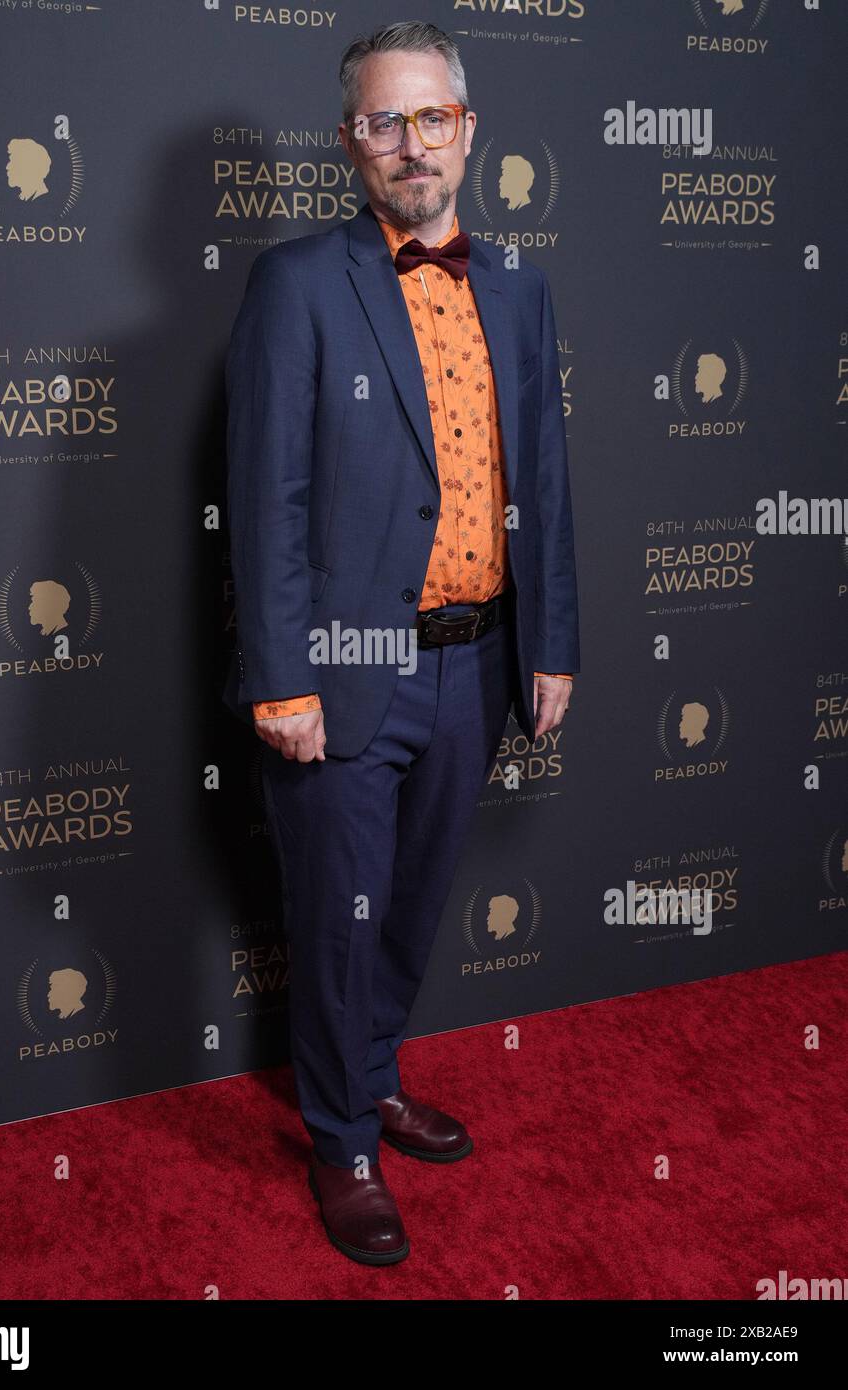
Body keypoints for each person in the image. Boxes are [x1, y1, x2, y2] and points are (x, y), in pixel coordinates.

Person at [223, 20, 580, 1266]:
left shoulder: (521, 284)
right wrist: (281, 673)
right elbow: (265, 493)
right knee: (333, 914)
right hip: (344, 664)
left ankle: (371, 1078)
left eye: (431, 117)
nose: (410, 143)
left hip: (479, 661)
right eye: (385, 121)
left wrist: (553, 638)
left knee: (410, 903)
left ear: (467, 130)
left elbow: (545, 472)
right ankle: (341, 1143)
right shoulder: (299, 282)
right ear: (350, 143)